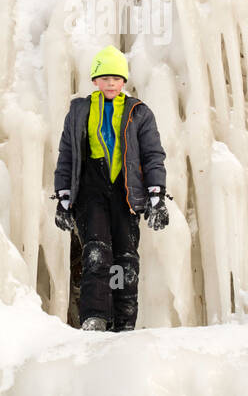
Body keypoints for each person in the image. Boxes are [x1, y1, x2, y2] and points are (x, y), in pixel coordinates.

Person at [52, 46, 168, 332]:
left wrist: (157, 196)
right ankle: (95, 317)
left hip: (125, 190)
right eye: (104, 78)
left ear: (124, 81)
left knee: (124, 257)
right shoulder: (79, 111)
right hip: (91, 187)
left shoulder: (138, 112)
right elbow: (66, 154)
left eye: (116, 78)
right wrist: (64, 197)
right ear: (95, 81)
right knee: (96, 252)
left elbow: (153, 155)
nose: (111, 84)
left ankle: (123, 320)